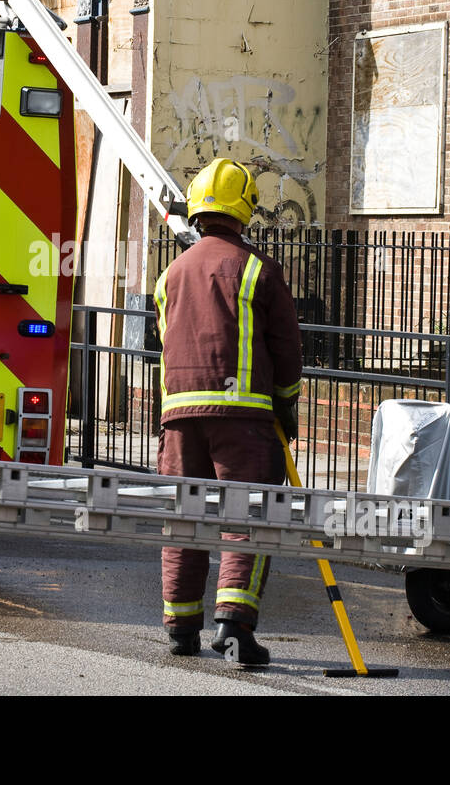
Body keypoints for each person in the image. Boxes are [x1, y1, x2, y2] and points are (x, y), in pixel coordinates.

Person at [153, 158, 304, 665]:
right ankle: (234, 628)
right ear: (245, 213)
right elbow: (287, 350)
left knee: (184, 519)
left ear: (196, 212)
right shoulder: (258, 268)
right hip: (243, 419)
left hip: (178, 417)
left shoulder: (170, 274)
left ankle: (180, 629)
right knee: (248, 519)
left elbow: (166, 341)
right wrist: (286, 405)